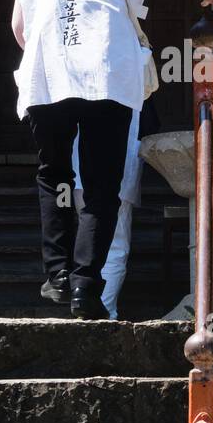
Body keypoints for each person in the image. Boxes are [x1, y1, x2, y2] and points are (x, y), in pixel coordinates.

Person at [10, 0, 213, 320]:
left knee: (54, 175)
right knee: (101, 184)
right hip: (105, 75)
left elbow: (20, 28)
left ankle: (56, 277)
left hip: (45, 78)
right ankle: (86, 288)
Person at [72, 105, 143, 321]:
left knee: (88, 237)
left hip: (80, 170)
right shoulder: (127, 77)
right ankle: (104, 310)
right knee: (115, 244)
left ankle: (83, 297)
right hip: (116, 171)